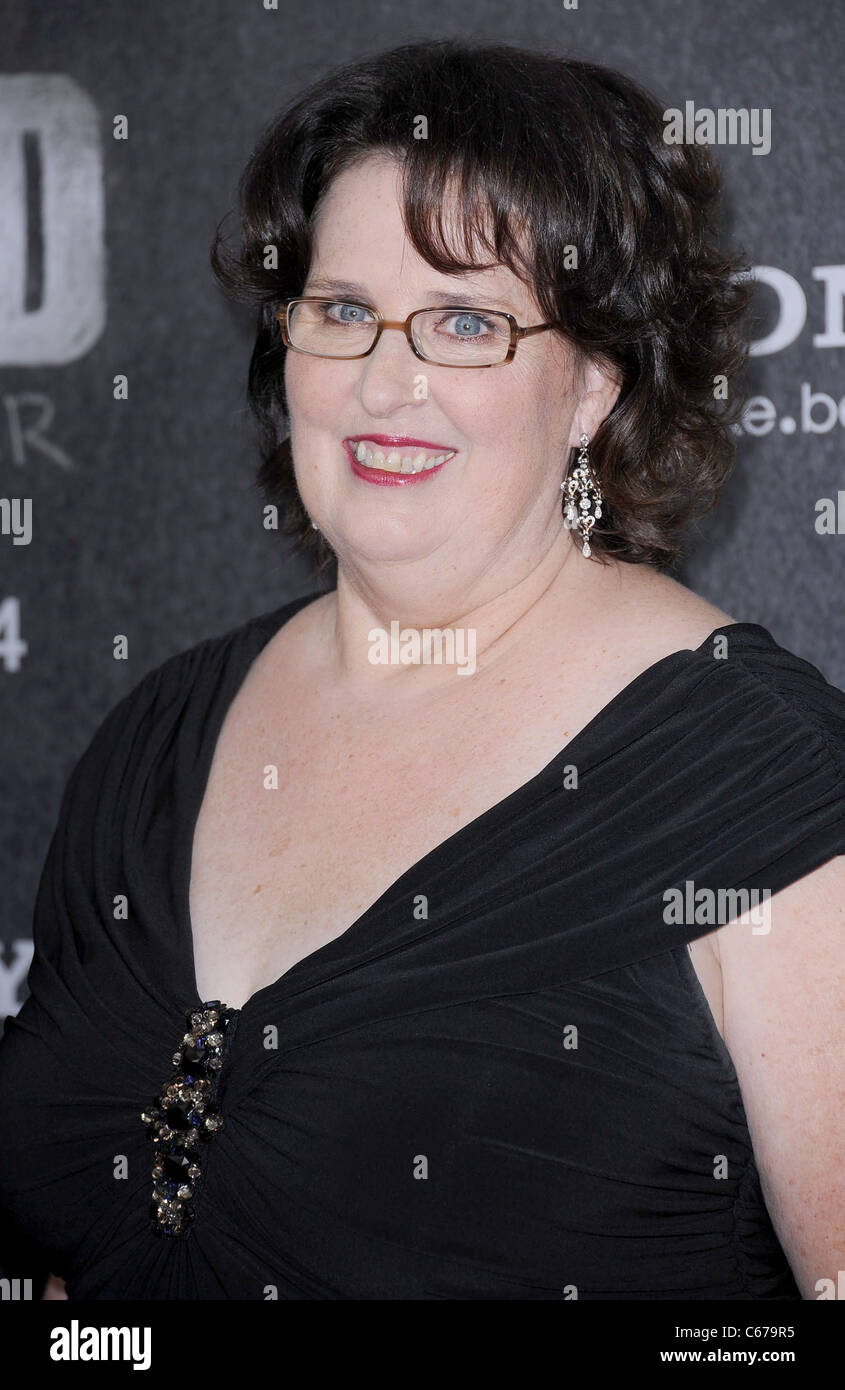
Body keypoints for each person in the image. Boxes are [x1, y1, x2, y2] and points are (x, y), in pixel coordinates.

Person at [1, 38, 843, 1302]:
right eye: (342, 310)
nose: (383, 381)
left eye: (465, 321)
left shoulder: (762, 780)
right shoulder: (159, 738)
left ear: (593, 389)